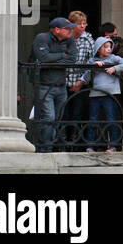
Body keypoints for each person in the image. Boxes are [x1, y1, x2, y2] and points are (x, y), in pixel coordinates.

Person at [29, 18, 76, 153]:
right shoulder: (42, 38)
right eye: (68, 28)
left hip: (61, 85)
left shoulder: (70, 39)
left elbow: (72, 59)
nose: (71, 31)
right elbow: (43, 58)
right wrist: (62, 55)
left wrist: (53, 59)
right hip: (44, 85)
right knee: (48, 118)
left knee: (57, 119)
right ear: (57, 30)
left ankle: (49, 146)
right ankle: (45, 149)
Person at [86, 36, 123, 152]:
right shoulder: (92, 60)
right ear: (98, 48)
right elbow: (86, 77)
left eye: (110, 47)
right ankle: (90, 145)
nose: (108, 49)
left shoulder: (113, 58)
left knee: (111, 119)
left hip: (111, 94)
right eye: (105, 47)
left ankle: (114, 145)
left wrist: (115, 68)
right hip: (95, 94)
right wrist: (93, 67)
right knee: (93, 120)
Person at [62, 11, 95, 150]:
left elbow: (92, 62)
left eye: (84, 23)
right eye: (79, 24)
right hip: (62, 82)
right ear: (71, 24)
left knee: (77, 114)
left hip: (80, 83)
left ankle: (74, 144)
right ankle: (61, 144)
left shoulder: (88, 40)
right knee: (63, 114)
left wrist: (82, 81)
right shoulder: (64, 38)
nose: (83, 26)